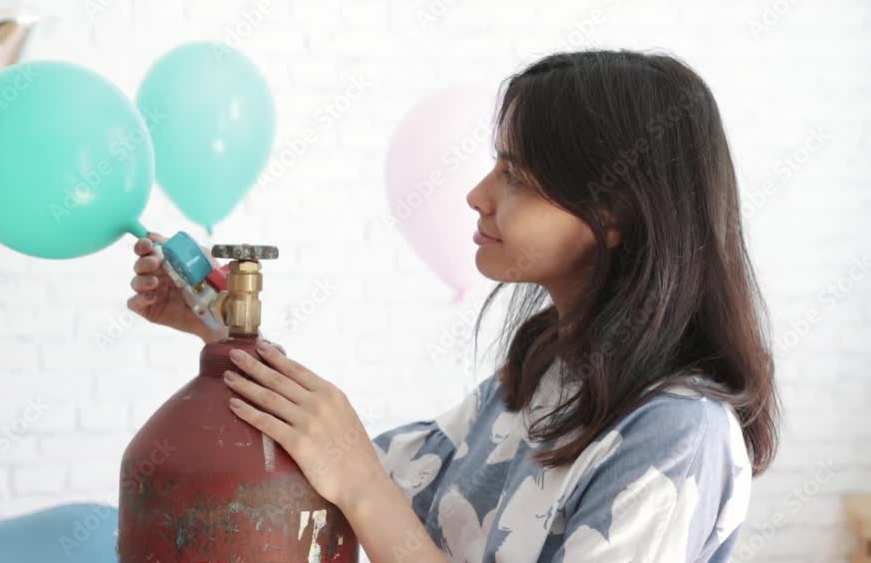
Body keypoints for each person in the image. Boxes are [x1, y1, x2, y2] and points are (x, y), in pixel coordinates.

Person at [127, 49, 778, 563]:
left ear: (613, 214)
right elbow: (330, 466)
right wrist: (227, 335)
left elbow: (363, 483)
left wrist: (361, 482)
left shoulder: (677, 434)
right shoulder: (544, 374)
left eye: (514, 175)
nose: (477, 195)